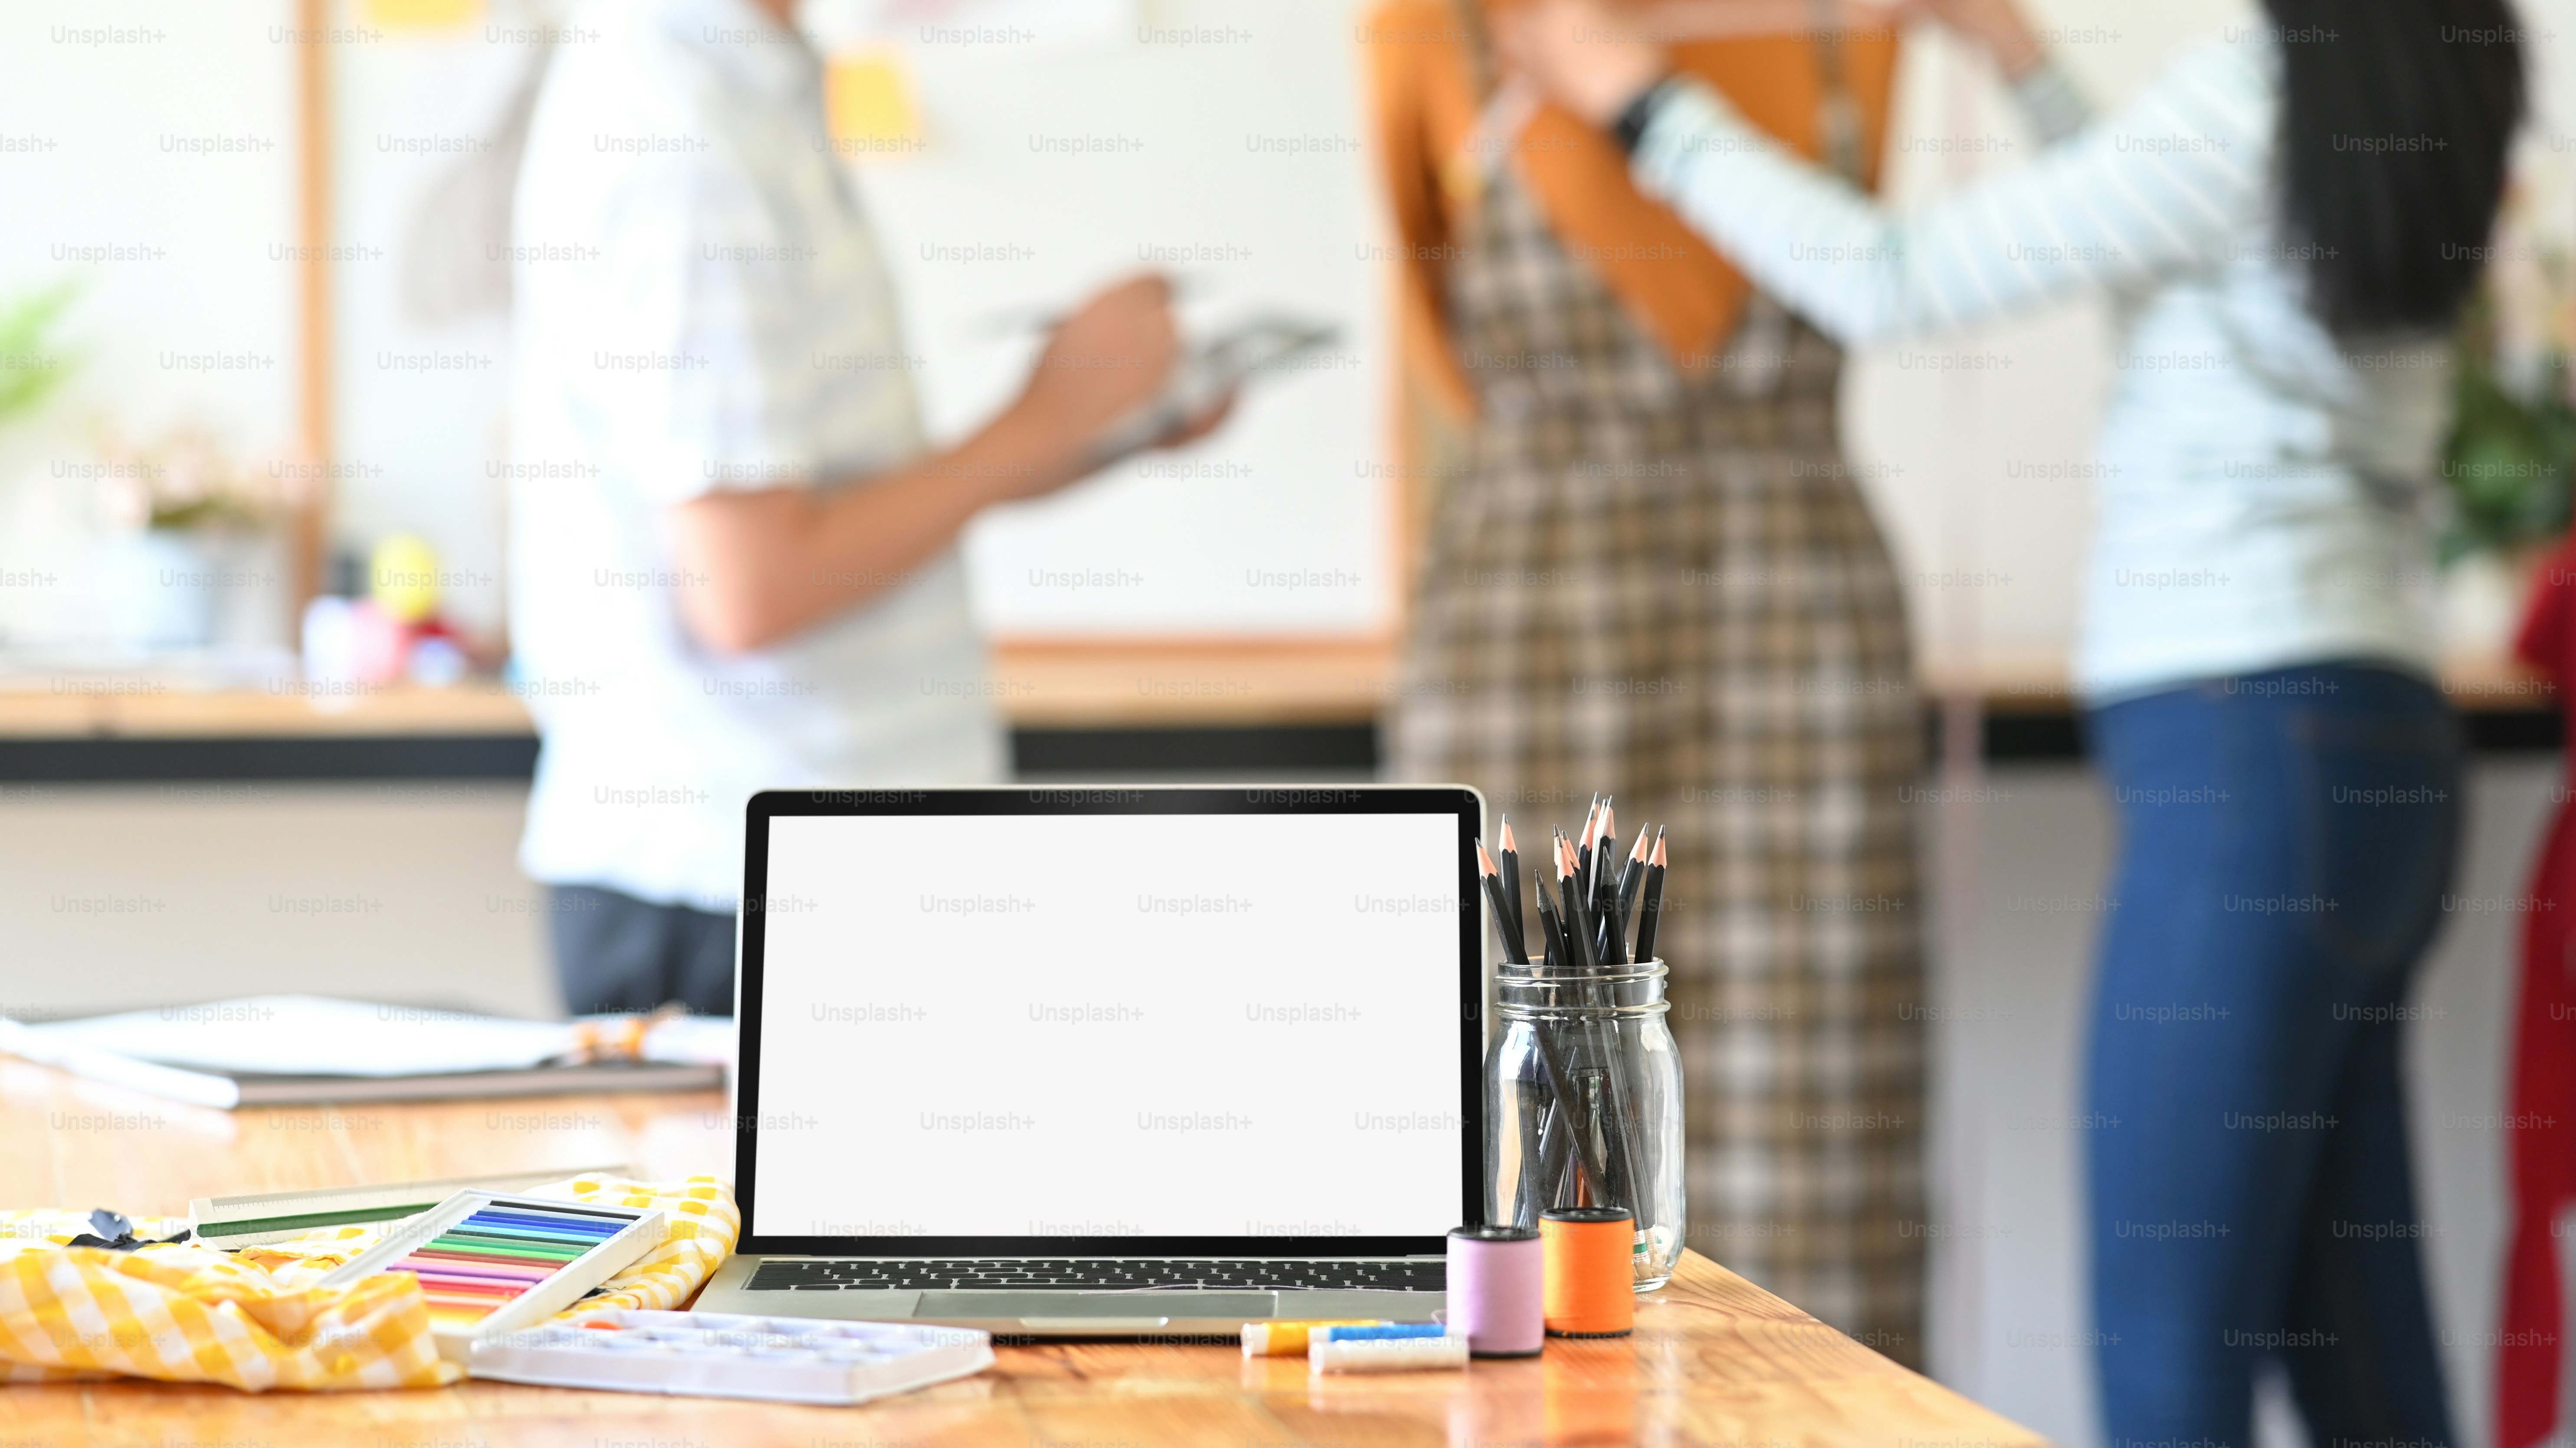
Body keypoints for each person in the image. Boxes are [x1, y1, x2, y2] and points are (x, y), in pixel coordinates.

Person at [1500, 0, 2523, 1438]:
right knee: (2362, 1365)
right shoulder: (2427, 71)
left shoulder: (2259, 93)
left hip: (2248, 760)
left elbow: (1892, 280)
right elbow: (2172, 230)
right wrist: (2023, 63)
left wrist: (1643, 102)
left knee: (2168, 1357)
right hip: (2375, 743)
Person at [1362, 0, 1930, 1360]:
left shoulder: (1849, 26)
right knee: (1512, 1078)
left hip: (1798, 616)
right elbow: (1432, 362)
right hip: (1525, 608)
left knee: (1818, 1091)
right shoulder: (1428, 29)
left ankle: (1820, 1415)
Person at [505, 0, 1219, 1016]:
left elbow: (836, 509)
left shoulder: (753, 84)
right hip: (734, 885)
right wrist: (1037, 422)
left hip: (806, 864)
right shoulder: (683, 132)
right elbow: (748, 587)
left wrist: (1085, 424)